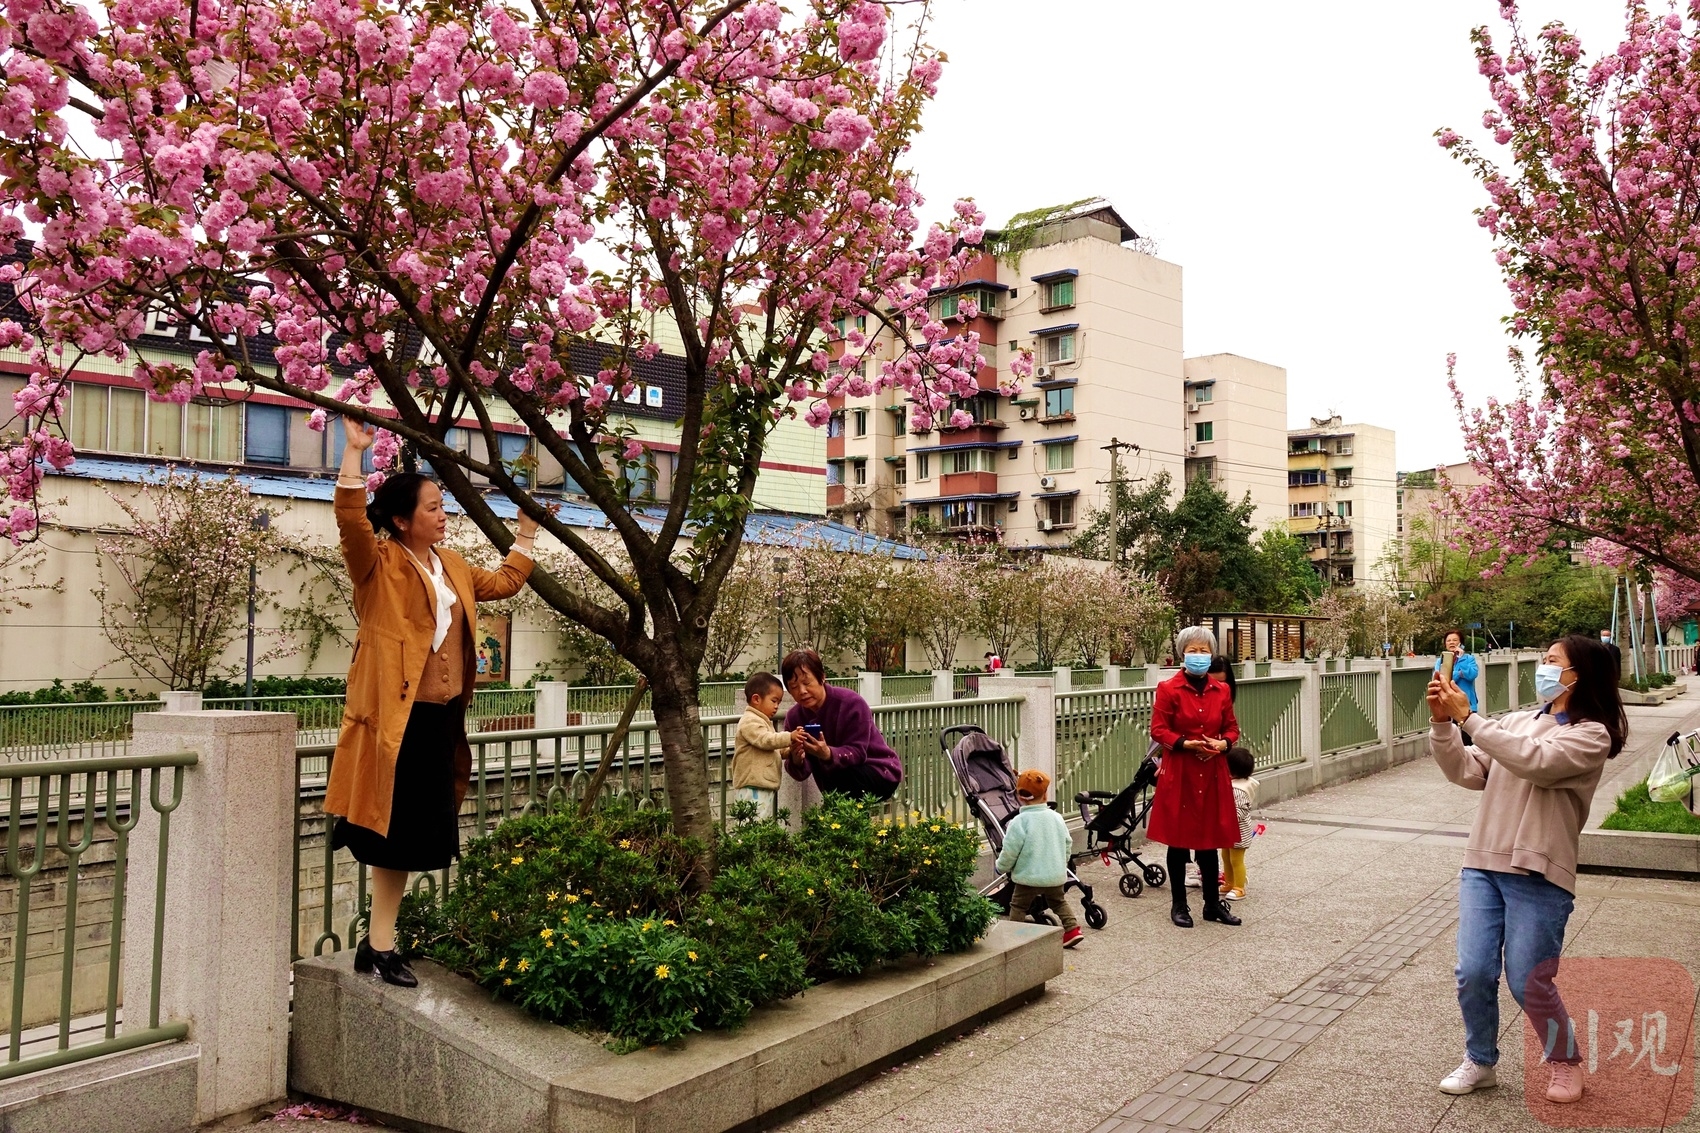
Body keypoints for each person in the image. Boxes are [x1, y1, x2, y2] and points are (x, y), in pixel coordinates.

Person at [327, 417, 537, 987]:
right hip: (397, 725)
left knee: (408, 841)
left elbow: (504, 583)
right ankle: (381, 946)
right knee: (392, 840)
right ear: (401, 519)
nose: (443, 514)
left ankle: (377, 944)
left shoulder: (452, 565)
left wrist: (527, 534)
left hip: (441, 721)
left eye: (443, 505)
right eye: (432, 507)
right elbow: (349, 521)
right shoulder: (378, 564)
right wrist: (354, 455)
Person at [1427, 634, 1626, 1105]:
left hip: (1539, 873)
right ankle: (1480, 1060)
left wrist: (1470, 718)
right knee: (1472, 971)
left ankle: (1564, 1060)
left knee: (1527, 979)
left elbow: (1536, 763)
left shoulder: (1591, 734)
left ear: (1579, 674)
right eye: (1544, 659)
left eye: (1553, 661)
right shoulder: (1517, 722)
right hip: (1483, 863)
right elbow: (1469, 771)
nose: (1545, 667)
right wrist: (1442, 726)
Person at [1148, 626, 1243, 929]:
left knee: (1210, 841)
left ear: (1212, 654)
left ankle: (1212, 904)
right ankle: (1179, 905)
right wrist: (1185, 744)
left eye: (1204, 651)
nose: (1199, 656)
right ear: (1182, 653)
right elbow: (1159, 730)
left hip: (1212, 771)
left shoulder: (1221, 690)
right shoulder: (1168, 688)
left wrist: (1222, 745)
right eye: (1193, 650)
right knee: (1178, 842)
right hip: (1182, 771)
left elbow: (1231, 728)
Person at [781, 649, 903, 801]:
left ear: (822, 677)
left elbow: (858, 753)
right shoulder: (794, 717)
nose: (802, 691)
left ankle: (839, 820)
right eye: (794, 687)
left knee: (840, 775)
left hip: (879, 770)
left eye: (807, 683)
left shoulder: (851, 703)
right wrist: (797, 759)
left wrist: (827, 753)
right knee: (833, 777)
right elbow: (802, 772)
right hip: (839, 781)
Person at [995, 768, 1082, 949]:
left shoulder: (1020, 821)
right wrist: (1061, 863)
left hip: (1028, 876)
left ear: (1019, 796)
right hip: (1054, 874)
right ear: (1045, 794)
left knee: (1018, 905)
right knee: (1058, 902)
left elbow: (1011, 849)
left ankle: (1014, 936)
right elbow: (1067, 842)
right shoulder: (1056, 817)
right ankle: (1072, 929)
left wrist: (1001, 866)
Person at [732, 672, 794, 819]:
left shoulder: (762, 720)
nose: (777, 706)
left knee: (759, 824)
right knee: (752, 825)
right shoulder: (750, 721)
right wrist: (790, 736)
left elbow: (775, 749)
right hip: (752, 786)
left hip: (761, 785)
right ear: (756, 699)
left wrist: (791, 750)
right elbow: (766, 740)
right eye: (774, 701)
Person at [1222, 747, 1258, 902]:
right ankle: (1229, 882)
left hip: (1238, 831)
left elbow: (1240, 812)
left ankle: (1239, 887)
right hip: (1227, 830)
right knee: (1225, 856)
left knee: (1236, 860)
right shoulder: (1234, 784)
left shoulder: (1239, 790)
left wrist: (1224, 817)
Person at [1435, 630, 1480, 738]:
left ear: (1461, 643)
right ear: (1445, 644)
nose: (1451, 642)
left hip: (1466, 704)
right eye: (1448, 640)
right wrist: (1459, 674)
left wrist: (1460, 660)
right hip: (1447, 704)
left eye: (1455, 640)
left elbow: (1472, 674)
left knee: (1468, 739)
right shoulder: (1441, 661)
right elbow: (1442, 679)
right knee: (1450, 739)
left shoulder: (1469, 659)